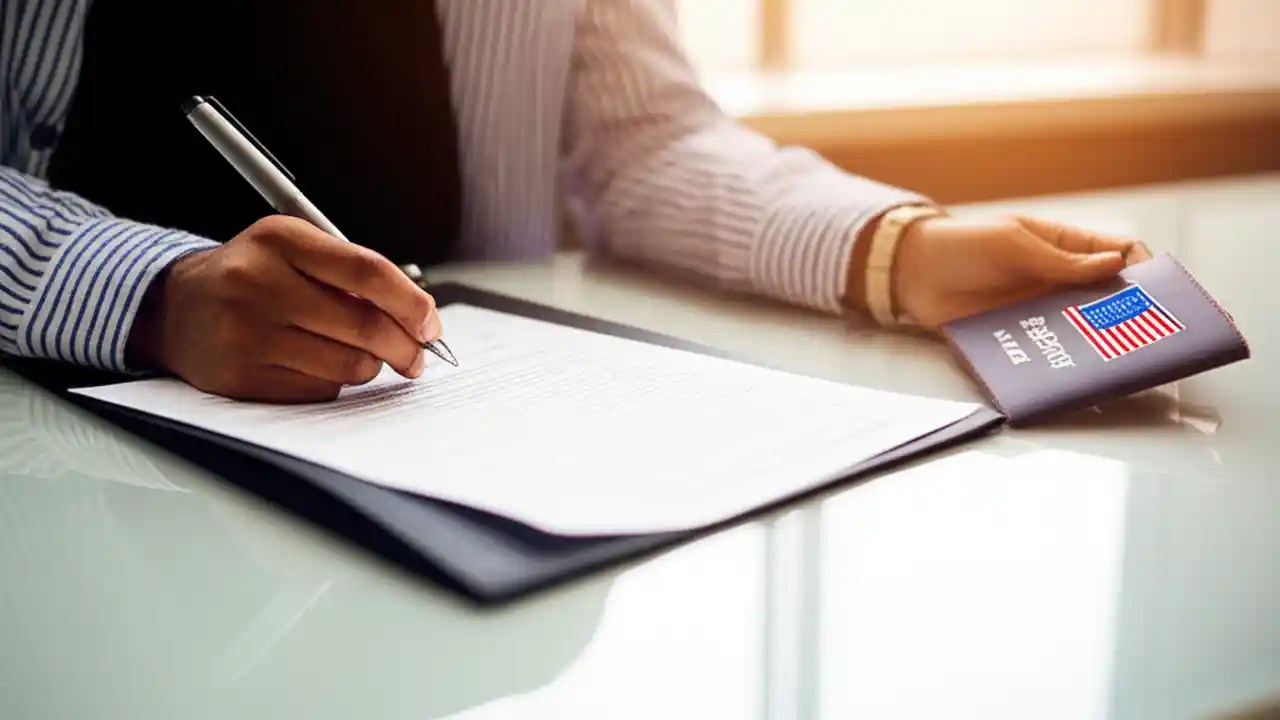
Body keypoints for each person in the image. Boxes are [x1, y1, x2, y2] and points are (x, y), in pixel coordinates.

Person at [0, 1, 1148, 403]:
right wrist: (148, 292)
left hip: (445, 414)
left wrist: (891, 247)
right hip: (60, 421)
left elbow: (643, 139)